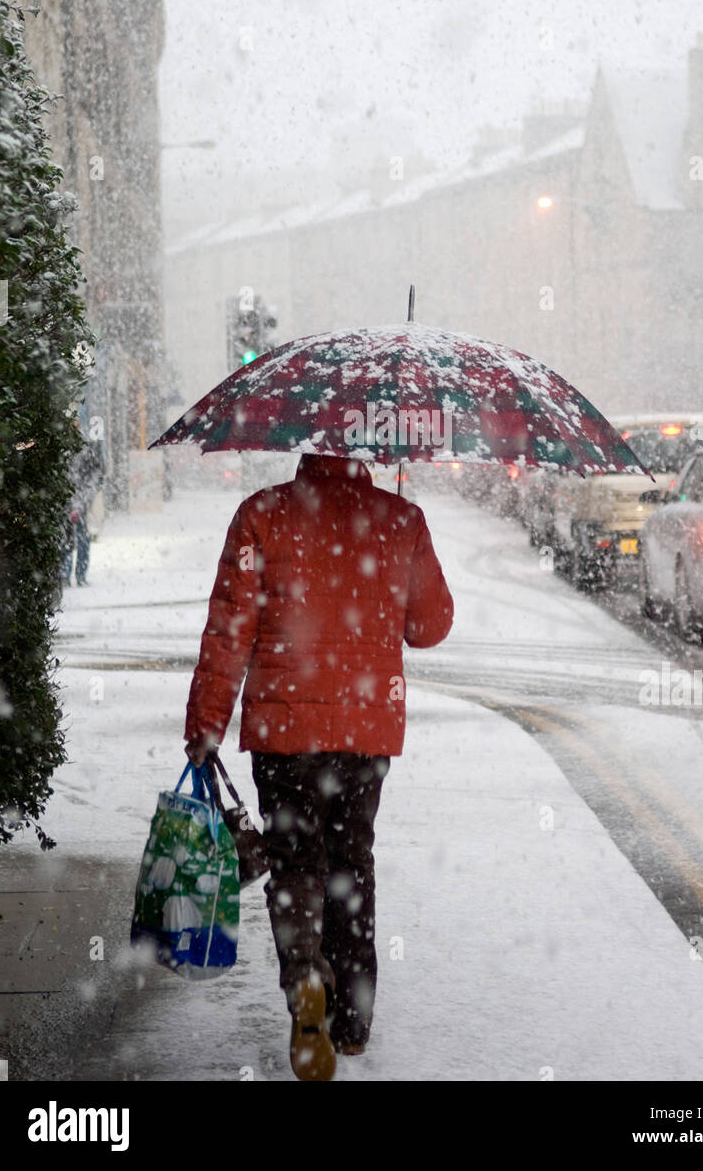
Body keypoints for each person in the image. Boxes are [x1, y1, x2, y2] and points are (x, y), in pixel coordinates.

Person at [184, 452, 454, 1081]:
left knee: (296, 861)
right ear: (364, 449)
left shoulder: (261, 514)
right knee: (351, 860)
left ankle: (306, 978)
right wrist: (398, 549)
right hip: (366, 728)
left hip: (284, 731)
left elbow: (229, 630)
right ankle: (352, 1023)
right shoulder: (400, 519)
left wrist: (204, 725)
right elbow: (431, 625)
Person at [61, 428, 105, 588]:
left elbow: (96, 473)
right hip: (69, 502)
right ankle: (70, 574)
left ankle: (74, 574)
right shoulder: (79, 446)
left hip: (77, 501)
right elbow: (96, 473)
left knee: (77, 538)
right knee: (70, 538)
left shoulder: (86, 446)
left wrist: (80, 502)